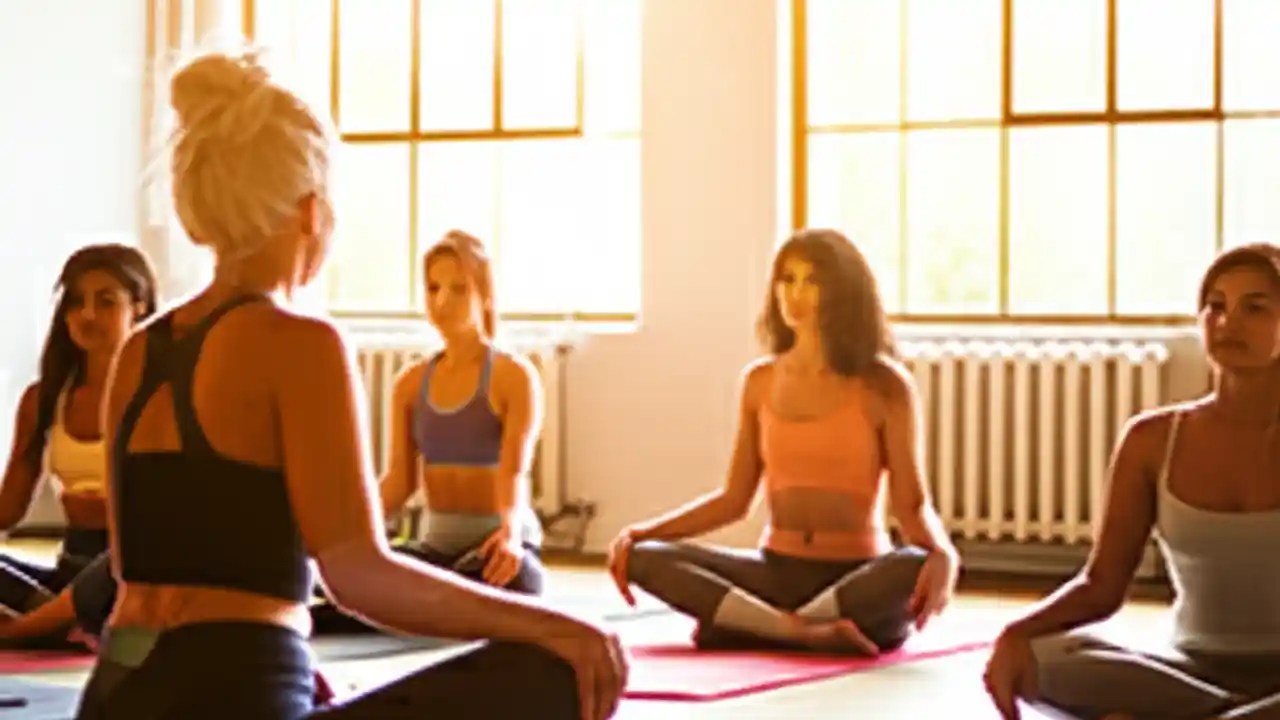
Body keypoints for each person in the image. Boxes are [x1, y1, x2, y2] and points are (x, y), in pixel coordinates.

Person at [74, 48, 625, 720]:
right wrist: (556, 625)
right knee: (551, 667)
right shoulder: (299, 344)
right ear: (313, 212)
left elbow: (137, 572)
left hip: (114, 695)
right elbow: (362, 576)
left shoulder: (139, 350)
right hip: (232, 695)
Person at [605, 228, 960, 654]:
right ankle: (800, 630)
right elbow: (734, 500)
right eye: (787, 279)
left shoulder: (885, 386)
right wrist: (643, 533)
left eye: (813, 281)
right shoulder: (759, 382)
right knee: (647, 557)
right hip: (775, 570)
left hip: (856, 578)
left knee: (914, 565)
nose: (796, 293)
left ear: (843, 292)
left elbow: (912, 505)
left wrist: (943, 553)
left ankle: (753, 624)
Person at [983, 243, 1280, 720]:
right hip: (1185, 672)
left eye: (1255, 308)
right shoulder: (1152, 439)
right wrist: (1015, 633)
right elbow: (1101, 585)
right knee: (1044, 658)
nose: (1227, 322)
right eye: (1216, 306)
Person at [377, 230, 546, 594]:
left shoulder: (513, 376)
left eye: (459, 289)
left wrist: (511, 536)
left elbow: (514, 473)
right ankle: (444, 598)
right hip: (436, 549)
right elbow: (398, 481)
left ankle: (441, 598)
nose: (442, 301)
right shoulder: (409, 383)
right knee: (352, 584)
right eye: (433, 288)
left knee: (519, 580)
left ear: (485, 296)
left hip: (495, 548)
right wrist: (345, 537)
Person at [0, 244, 157, 617]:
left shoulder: (160, 395)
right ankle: (57, 616)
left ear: (139, 307)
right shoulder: (44, 398)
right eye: (75, 302)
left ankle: (40, 624)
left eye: (105, 302)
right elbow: (9, 506)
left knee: (109, 580)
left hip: (133, 570)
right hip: (71, 571)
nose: (87, 315)